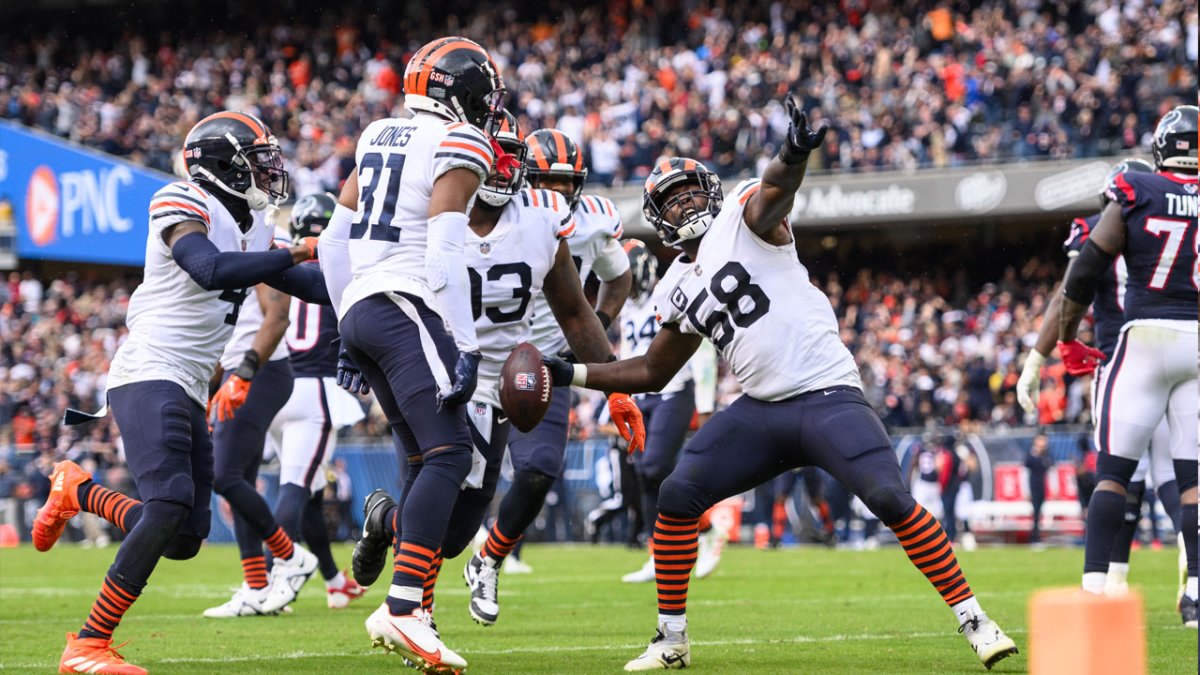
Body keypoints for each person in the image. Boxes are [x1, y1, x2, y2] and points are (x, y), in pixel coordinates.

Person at [543, 95, 1018, 671]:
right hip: (761, 410)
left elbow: (775, 189)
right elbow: (652, 370)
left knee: (891, 498)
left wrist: (792, 152)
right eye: (673, 199)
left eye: (692, 189)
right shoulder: (673, 284)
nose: (687, 201)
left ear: (713, 192)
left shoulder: (743, 219)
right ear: (659, 219)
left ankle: (975, 619)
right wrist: (569, 371)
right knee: (675, 496)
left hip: (827, 396)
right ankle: (672, 640)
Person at [31, 111, 326, 674]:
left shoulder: (256, 226)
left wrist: (365, 271)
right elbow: (209, 268)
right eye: (256, 161)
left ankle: (78, 491)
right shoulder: (178, 200)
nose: (269, 171)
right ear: (222, 166)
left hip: (190, 383)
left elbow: (310, 283)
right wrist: (297, 251)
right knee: (166, 504)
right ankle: (88, 645)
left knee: (185, 536)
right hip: (150, 368)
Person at [348, 112, 643, 629]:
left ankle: (384, 521)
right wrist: (345, 341)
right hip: (433, 363)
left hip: (503, 379)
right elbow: (371, 274)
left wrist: (614, 388)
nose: (502, 166)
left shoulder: (545, 216)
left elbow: (575, 310)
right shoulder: (429, 213)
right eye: (492, 153)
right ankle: (414, 611)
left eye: (512, 154)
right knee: (430, 481)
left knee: (459, 531)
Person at [316, 36, 505, 672]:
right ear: (465, 92)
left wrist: (346, 325)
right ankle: (403, 608)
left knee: (427, 458)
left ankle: (400, 607)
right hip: (406, 304)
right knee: (452, 454)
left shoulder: (377, 134)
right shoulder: (463, 142)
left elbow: (330, 245)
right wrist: (467, 346)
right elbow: (445, 253)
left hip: (367, 309)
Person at [471, 127, 637, 593]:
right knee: (460, 488)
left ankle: (490, 559)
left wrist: (599, 323)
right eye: (548, 181)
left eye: (568, 181)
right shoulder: (497, 212)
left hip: (544, 361)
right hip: (481, 358)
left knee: (540, 469)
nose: (560, 191)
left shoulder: (595, 219)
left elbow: (618, 277)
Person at [1057, 104, 1198, 626]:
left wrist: (1068, 337)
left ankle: (1097, 591)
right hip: (1197, 343)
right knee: (1190, 479)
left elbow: (1088, 269)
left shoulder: (1138, 192)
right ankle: (1196, 598)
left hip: (1141, 339)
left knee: (1114, 473)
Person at [1017, 157, 1181, 590]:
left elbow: (1070, 289)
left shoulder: (1100, 223)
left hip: (1122, 360)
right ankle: (1188, 574)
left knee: (1119, 474)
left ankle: (1104, 583)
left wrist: (1041, 357)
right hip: (1184, 352)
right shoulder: (1177, 213)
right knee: (1174, 474)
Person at [205, 262, 320, 618]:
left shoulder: (258, 246)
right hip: (240, 370)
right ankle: (256, 586)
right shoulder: (230, 247)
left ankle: (291, 555)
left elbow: (276, 317)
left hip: (261, 370)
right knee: (237, 477)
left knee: (224, 476)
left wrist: (244, 373)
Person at [271, 194, 369, 609]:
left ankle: (332, 579)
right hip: (315, 389)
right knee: (295, 487)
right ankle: (270, 578)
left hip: (276, 389)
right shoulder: (340, 268)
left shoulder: (282, 268)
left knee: (307, 489)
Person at [617, 240, 723, 583]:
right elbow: (627, 353)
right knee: (647, 475)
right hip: (643, 396)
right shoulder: (626, 307)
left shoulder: (669, 291)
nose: (624, 286)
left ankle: (703, 532)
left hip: (675, 390)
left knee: (654, 467)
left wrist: (705, 403)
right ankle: (666, 548)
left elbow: (702, 346)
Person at [1025, 434, 1050, 546]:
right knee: (1035, 512)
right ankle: (1033, 538)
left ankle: (1037, 536)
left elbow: (1050, 469)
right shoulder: (1030, 456)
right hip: (1033, 487)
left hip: (1042, 487)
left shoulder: (1046, 456)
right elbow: (1025, 472)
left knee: (1039, 512)